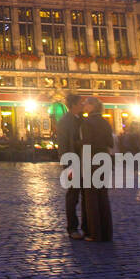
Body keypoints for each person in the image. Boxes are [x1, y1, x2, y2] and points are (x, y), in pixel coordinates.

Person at [79, 97, 114, 242]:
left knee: (91, 197)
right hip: (104, 159)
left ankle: (94, 233)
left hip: (92, 161)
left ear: (92, 106)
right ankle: (107, 232)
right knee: (103, 196)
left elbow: (86, 144)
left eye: (86, 103)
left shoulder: (87, 123)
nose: (84, 105)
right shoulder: (106, 123)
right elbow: (110, 142)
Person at [56, 94, 86, 239]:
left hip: (85, 162)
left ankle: (86, 226)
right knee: (73, 196)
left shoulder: (81, 119)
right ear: (74, 105)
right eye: (81, 103)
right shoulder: (64, 121)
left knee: (86, 196)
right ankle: (72, 228)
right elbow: (63, 145)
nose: (83, 105)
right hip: (73, 162)